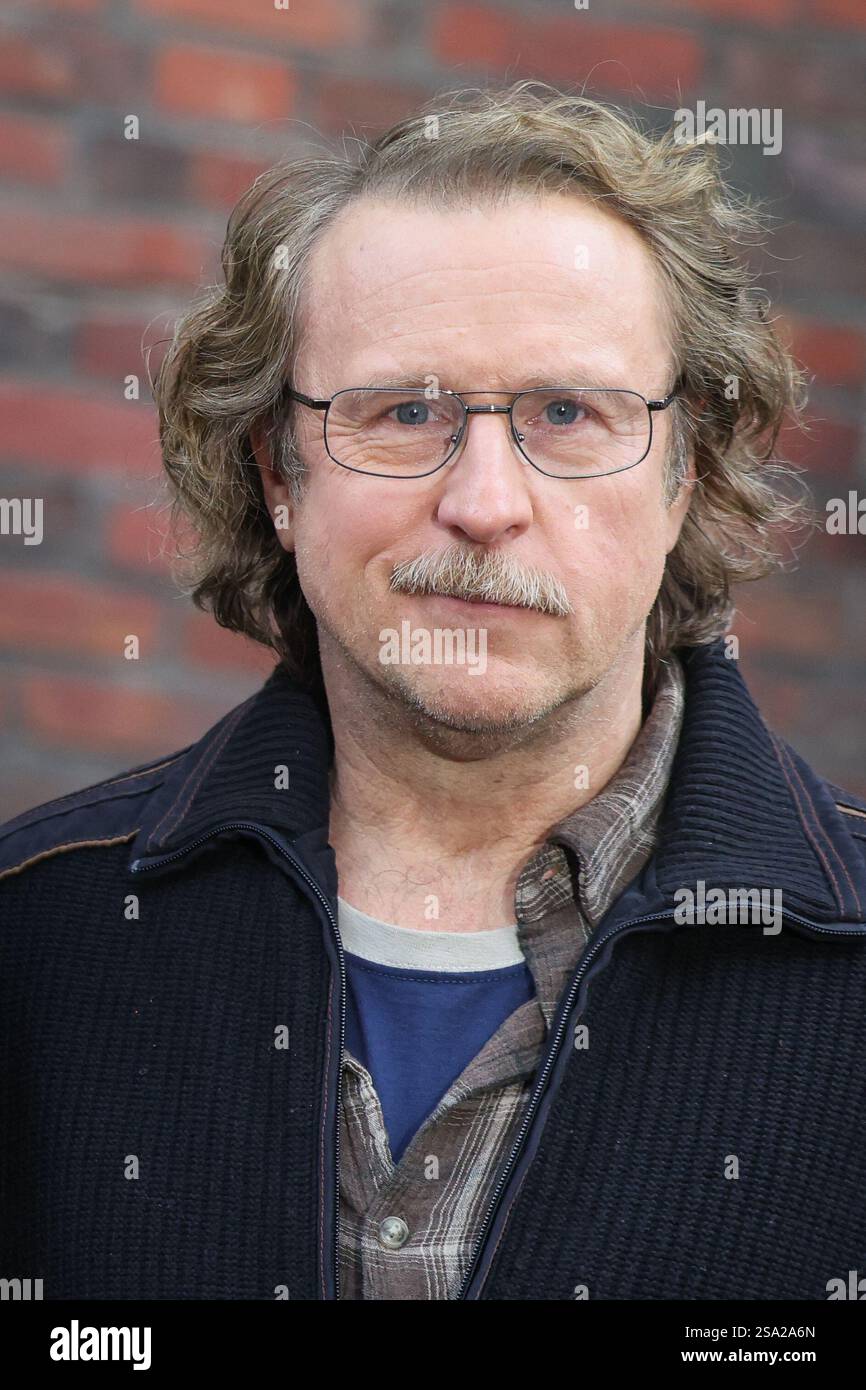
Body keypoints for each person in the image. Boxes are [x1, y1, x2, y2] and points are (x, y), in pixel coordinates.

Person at [2, 80, 865, 1302]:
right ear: (279, 472)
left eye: (568, 412)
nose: (482, 501)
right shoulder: (38, 944)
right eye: (402, 411)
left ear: (684, 474)